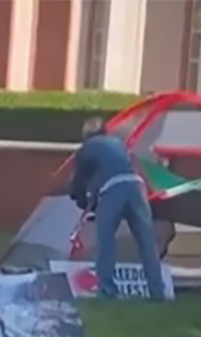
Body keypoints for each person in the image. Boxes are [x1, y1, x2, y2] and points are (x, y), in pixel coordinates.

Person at [68, 117, 166, 300]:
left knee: (106, 242)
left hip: (113, 190)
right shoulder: (118, 144)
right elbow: (128, 166)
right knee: (147, 244)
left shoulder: (86, 149)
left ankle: (107, 290)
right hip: (137, 187)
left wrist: (80, 200)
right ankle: (157, 291)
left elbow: (79, 182)